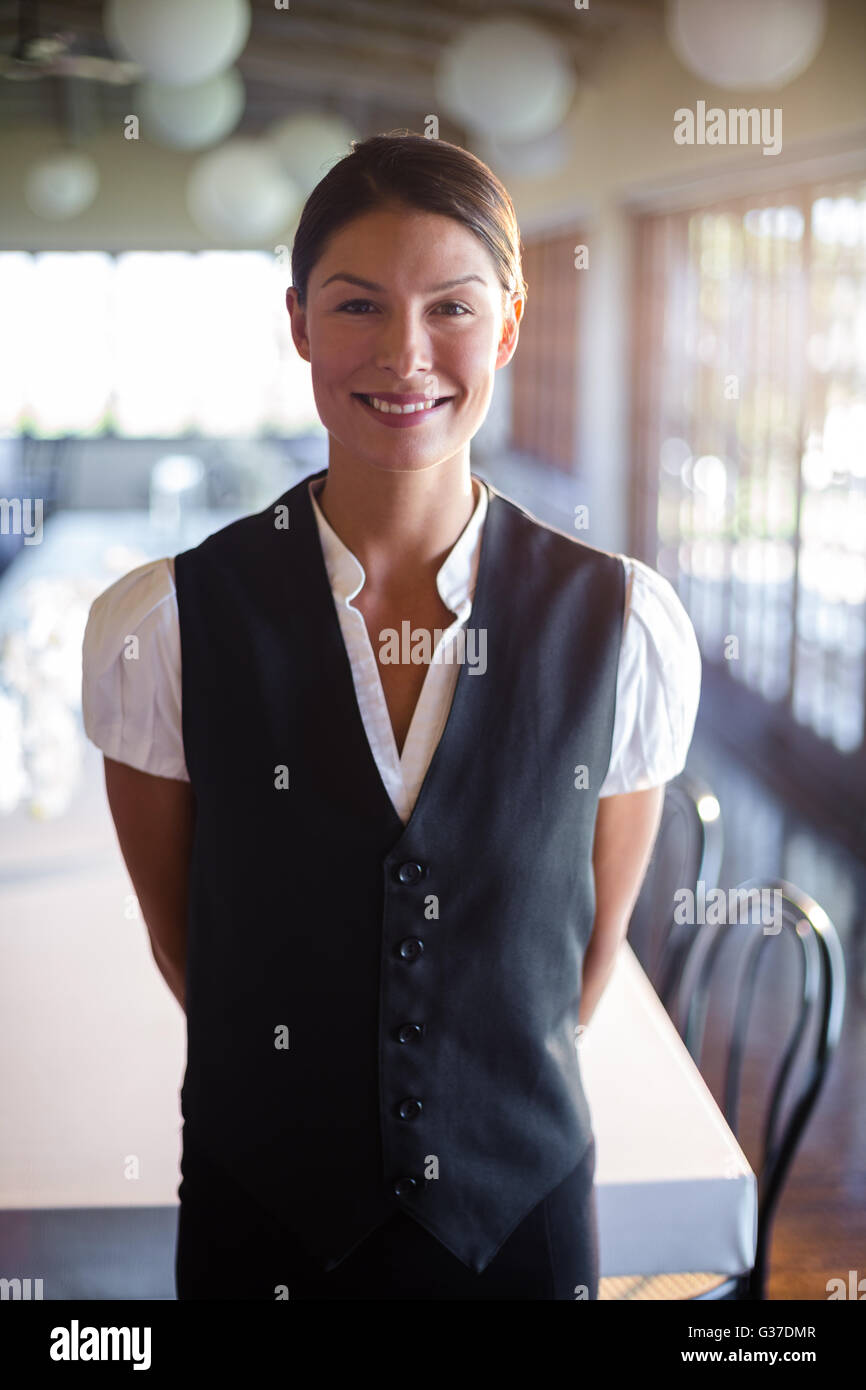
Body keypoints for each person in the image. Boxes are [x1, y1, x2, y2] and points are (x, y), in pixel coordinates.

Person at [81, 132, 701, 1301]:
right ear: (299, 323)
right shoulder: (164, 622)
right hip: (263, 1219)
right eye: (356, 304)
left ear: (506, 327)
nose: (403, 354)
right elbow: (187, 948)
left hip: (518, 1222)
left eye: (451, 307)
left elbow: (579, 964)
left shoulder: (620, 623)